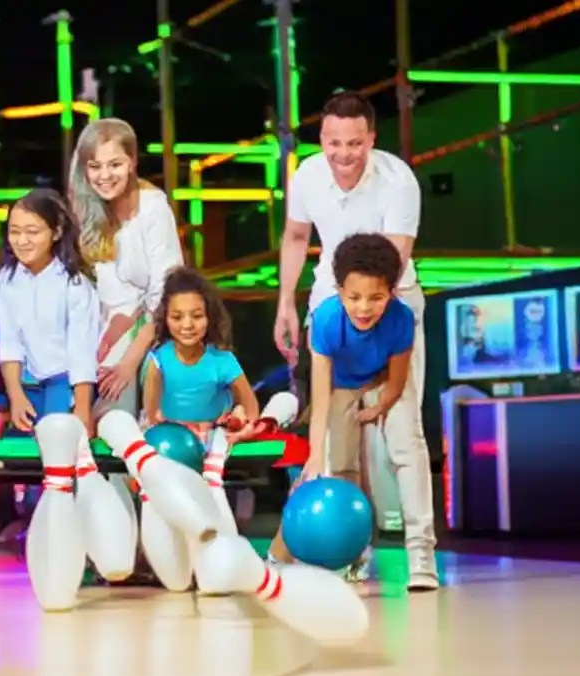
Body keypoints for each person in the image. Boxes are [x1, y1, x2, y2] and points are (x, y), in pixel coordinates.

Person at [271, 91, 437, 588]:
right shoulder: (307, 176)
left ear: (372, 139)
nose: (344, 154)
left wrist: (370, 307)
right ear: (322, 139)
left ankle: (421, 555)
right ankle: (348, 550)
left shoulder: (397, 180)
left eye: (355, 143)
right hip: (333, 305)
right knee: (335, 445)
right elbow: (297, 237)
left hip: (392, 301)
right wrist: (286, 301)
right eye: (334, 143)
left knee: (404, 440)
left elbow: (397, 253)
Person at [269, 234, 438, 592]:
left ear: (392, 292)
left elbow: (396, 382)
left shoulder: (401, 320)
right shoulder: (326, 320)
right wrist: (316, 457)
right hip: (340, 386)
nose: (364, 308)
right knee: (342, 463)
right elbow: (322, 394)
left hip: (380, 381)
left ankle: (422, 553)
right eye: (354, 297)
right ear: (340, 290)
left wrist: (378, 408)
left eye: (376, 298)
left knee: (406, 447)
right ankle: (351, 550)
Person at [67, 118, 185, 414]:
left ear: (132, 161)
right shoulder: (89, 211)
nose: (104, 176)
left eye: (115, 164)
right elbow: (109, 300)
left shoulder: (153, 208)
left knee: (115, 396)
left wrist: (127, 363)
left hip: (158, 329)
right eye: (95, 167)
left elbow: (165, 298)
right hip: (114, 328)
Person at [0, 188, 101, 437]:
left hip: (65, 383)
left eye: (32, 232)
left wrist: (83, 409)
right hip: (28, 381)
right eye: (15, 232)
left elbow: (82, 351)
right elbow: (9, 341)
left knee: (57, 443)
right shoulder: (6, 280)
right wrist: (15, 395)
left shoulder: (75, 284)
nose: (22, 241)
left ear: (56, 233)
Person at [141, 267, 260, 439]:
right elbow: (153, 417)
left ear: (209, 317)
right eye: (177, 317)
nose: (187, 325)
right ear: (165, 318)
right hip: (172, 441)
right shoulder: (158, 360)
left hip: (217, 439)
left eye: (196, 316)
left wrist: (237, 420)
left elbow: (251, 411)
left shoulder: (223, 360)